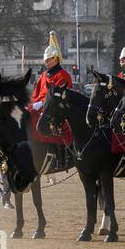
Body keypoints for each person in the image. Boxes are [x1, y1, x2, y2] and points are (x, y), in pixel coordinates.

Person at [28, 31, 74, 170]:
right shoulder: (43, 75)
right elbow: (36, 92)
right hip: (40, 103)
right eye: (46, 60)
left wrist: (41, 103)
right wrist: (33, 103)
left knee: (46, 120)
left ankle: (58, 155)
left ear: (56, 59)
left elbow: (60, 95)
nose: (46, 62)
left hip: (55, 106)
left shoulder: (63, 75)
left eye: (49, 60)